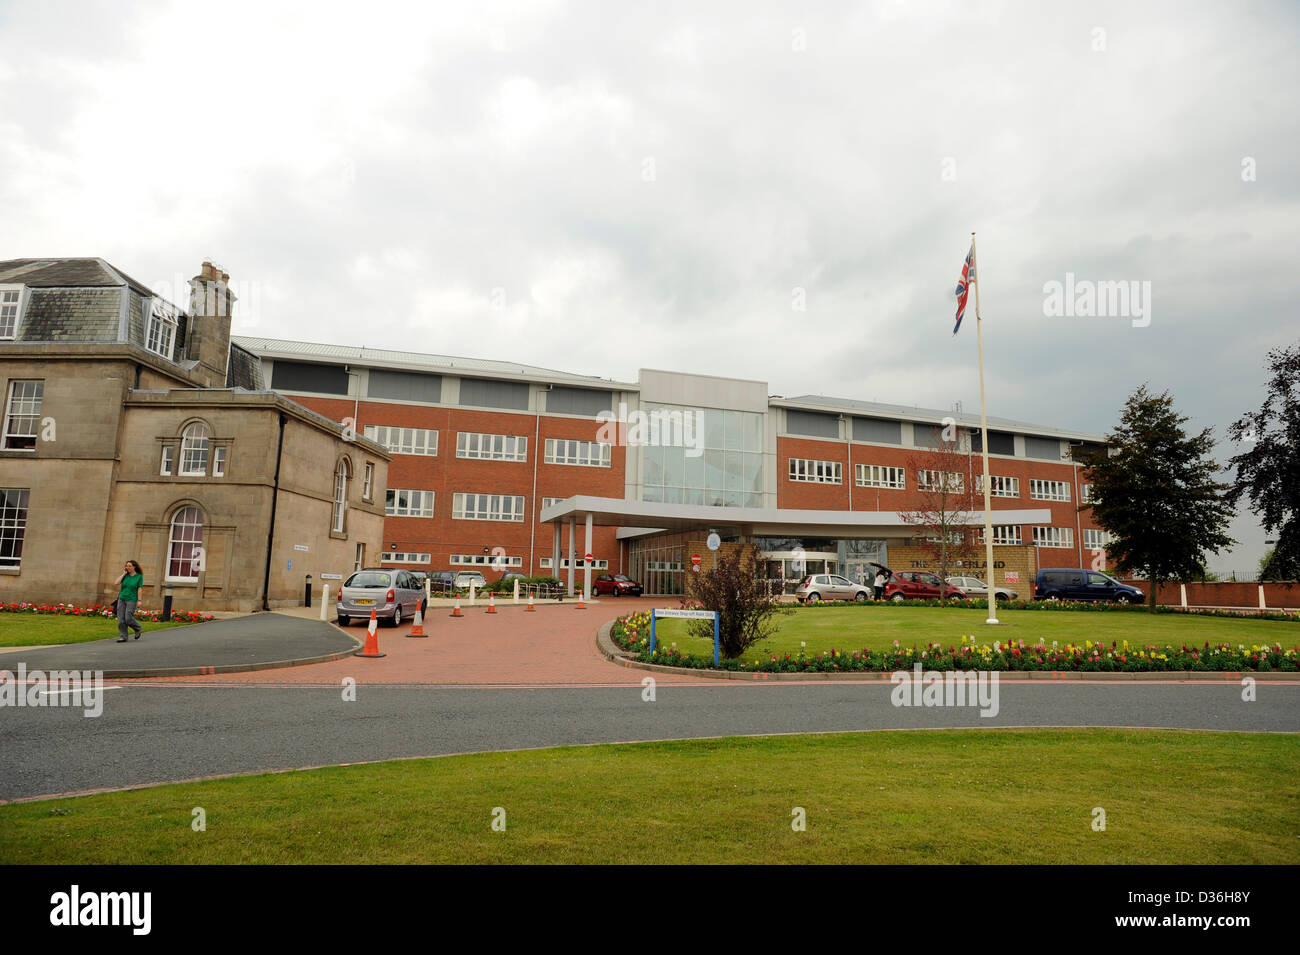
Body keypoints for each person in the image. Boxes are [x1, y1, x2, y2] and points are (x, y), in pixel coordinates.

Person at [115, 560, 144, 642]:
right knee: (121, 619)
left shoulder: (139, 577)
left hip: (132, 600)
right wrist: (123, 574)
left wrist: (139, 600)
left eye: (129, 566)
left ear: (134, 567)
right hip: (122, 598)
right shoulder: (125, 576)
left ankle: (137, 628)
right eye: (126, 566)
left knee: (128, 618)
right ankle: (123, 636)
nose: (127, 567)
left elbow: (140, 589)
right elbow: (116, 583)